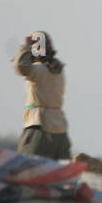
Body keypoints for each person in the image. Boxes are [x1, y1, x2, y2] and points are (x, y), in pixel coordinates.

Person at [12, 31, 71, 160]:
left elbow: (21, 66)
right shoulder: (57, 70)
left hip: (39, 126)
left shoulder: (38, 70)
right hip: (59, 130)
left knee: (25, 169)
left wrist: (25, 47)